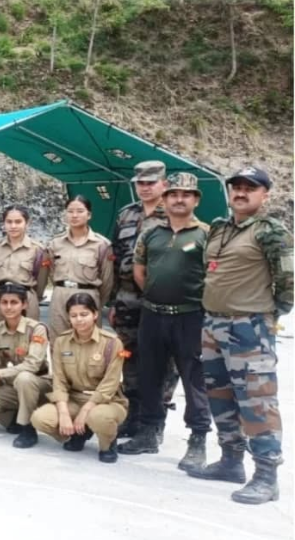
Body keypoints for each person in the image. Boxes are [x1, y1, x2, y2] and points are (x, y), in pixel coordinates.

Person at [191, 167, 292, 504]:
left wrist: (267, 314)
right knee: (219, 395)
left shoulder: (269, 231)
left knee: (257, 401)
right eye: (236, 187)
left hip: (249, 327)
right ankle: (231, 460)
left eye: (251, 188)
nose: (241, 192)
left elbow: (288, 279)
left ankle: (266, 475)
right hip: (214, 325)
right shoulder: (218, 229)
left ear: (265, 195)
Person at [119, 172, 213, 469]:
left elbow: (214, 275)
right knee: (150, 375)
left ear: (196, 199)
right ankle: (149, 431)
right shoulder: (152, 233)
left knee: (194, 379)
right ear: (166, 198)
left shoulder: (206, 235)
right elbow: (139, 268)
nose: (179, 199)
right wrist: (156, 294)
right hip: (153, 314)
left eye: (186, 194)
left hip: (190, 317)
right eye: (173, 194)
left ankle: (197, 439)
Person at [110, 160, 178, 438]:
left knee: (163, 361)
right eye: (141, 183)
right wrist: (113, 302)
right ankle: (133, 415)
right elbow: (115, 259)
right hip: (127, 299)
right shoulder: (126, 215)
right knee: (128, 358)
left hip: (161, 300)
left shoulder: (173, 215)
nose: (146, 187)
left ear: (164, 184)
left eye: (151, 182)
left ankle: (155, 421)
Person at [30, 293, 128, 464]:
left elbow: (110, 384)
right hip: (74, 398)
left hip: (107, 401)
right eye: (73, 315)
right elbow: (59, 380)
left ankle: (108, 442)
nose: (79, 320)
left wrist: (85, 411)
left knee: (98, 417)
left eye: (84, 314)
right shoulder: (62, 342)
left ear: (95, 314)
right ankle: (78, 433)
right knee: (40, 418)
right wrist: (63, 413)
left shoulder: (112, 343)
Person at [0, 282, 52, 448]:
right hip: (13, 386)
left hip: (39, 385)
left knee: (24, 378)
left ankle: (28, 429)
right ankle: (14, 420)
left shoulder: (37, 329)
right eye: (4, 302)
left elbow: (33, 365)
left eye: (14, 302)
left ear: (24, 304)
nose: (9, 307)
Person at [47, 196, 114, 335]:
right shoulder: (55, 243)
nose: (74, 215)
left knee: (89, 344)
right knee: (58, 342)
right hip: (60, 296)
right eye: (70, 211)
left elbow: (107, 280)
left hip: (88, 296)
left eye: (80, 211)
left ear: (89, 215)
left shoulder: (101, 245)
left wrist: (95, 302)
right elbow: (51, 272)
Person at [0, 205, 48, 325]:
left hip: (26, 297)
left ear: (27, 223)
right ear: (4, 223)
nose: (13, 226)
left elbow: (41, 280)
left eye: (18, 222)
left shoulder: (38, 249)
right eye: (9, 222)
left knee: (27, 334)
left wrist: (33, 296)